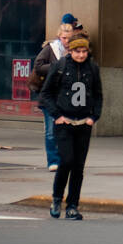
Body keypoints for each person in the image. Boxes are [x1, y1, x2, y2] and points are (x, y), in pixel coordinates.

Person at [40, 31, 103, 221]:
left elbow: (98, 94)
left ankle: (73, 205)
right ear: (70, 50)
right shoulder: (60, 67)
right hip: (64, 123)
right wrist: (57, 116)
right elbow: (45, 94)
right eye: (77, 51)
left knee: (78, 167)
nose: (81, 55)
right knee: (66, 161)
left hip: (84, 123)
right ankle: (57, 198)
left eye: (84, 51)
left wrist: (94, 116)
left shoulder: (92, 68)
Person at [32, 15, 76, 172]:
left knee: (67, 130)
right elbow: (38, 65)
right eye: (64, 38)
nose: (66, 41)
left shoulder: (76, 51)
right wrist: (56, 67)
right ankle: (53, 160)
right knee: (51, 130)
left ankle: (65, 159)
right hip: (50, 97)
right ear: (59, 37)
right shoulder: (51, 49)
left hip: (68, 97)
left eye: (69, 38)